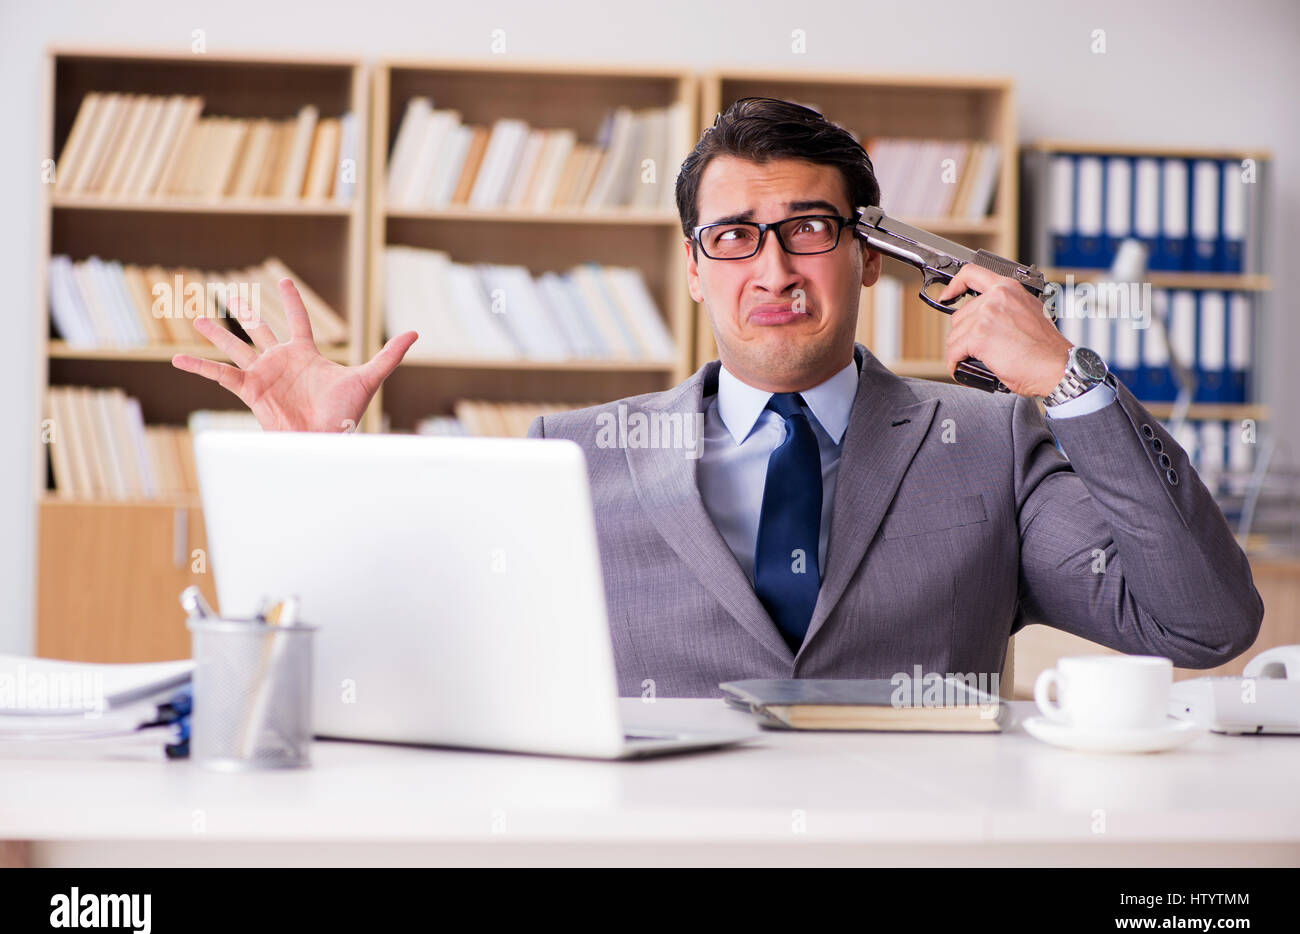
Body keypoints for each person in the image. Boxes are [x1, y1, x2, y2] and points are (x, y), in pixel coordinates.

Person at [173, 97, 1263, 697]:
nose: (775, 270)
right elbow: (385, 663)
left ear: (869, 257)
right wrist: (318, 465)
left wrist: (1069, 383)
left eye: (810, 231)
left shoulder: (989, 440)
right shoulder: (574, 451)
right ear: (694, 267)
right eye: (735, 238)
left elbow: (1203, 622)